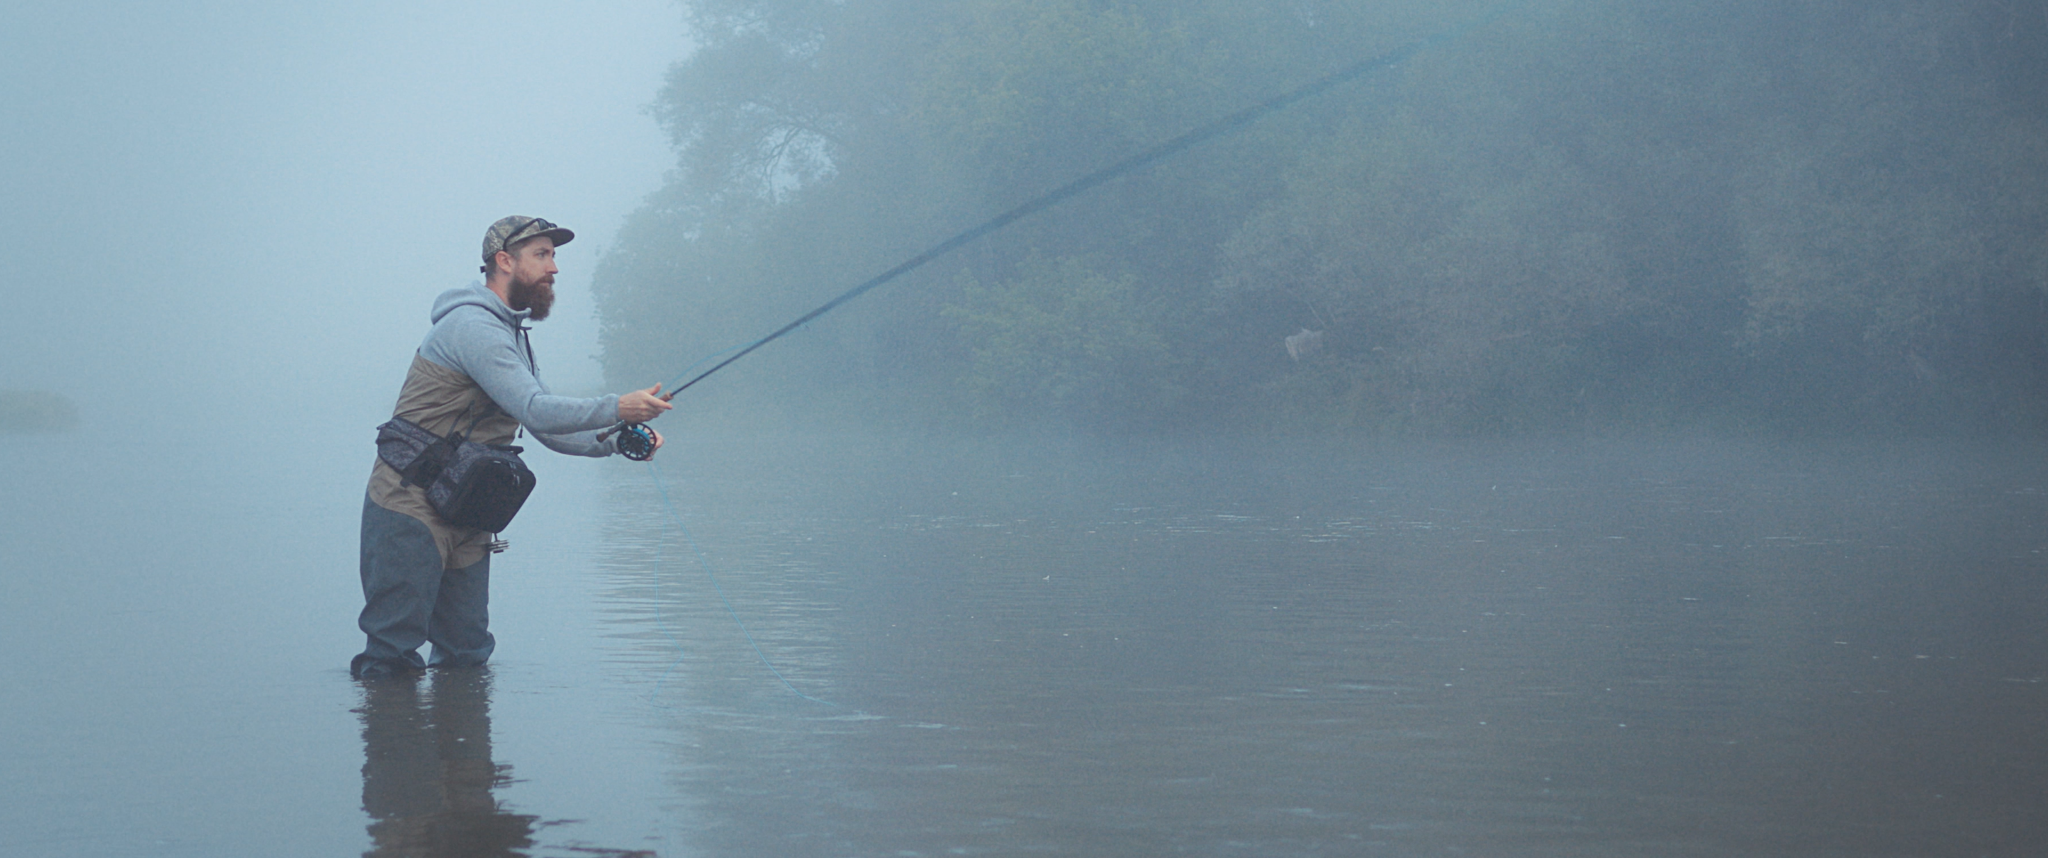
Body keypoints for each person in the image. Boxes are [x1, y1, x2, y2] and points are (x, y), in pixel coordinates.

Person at [351, 215, 673, 680]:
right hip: (408, 503)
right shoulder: (473, 327)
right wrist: (616, 407)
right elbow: (538, 409)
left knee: (466, 654)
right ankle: (396, 747)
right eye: (542, 255)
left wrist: (616, 442)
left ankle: (465, 753)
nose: (555, 268)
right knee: (391, 657)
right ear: (504, 261)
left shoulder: (512, 333)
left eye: (554, 255)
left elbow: (546, 430)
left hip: (464, 507)